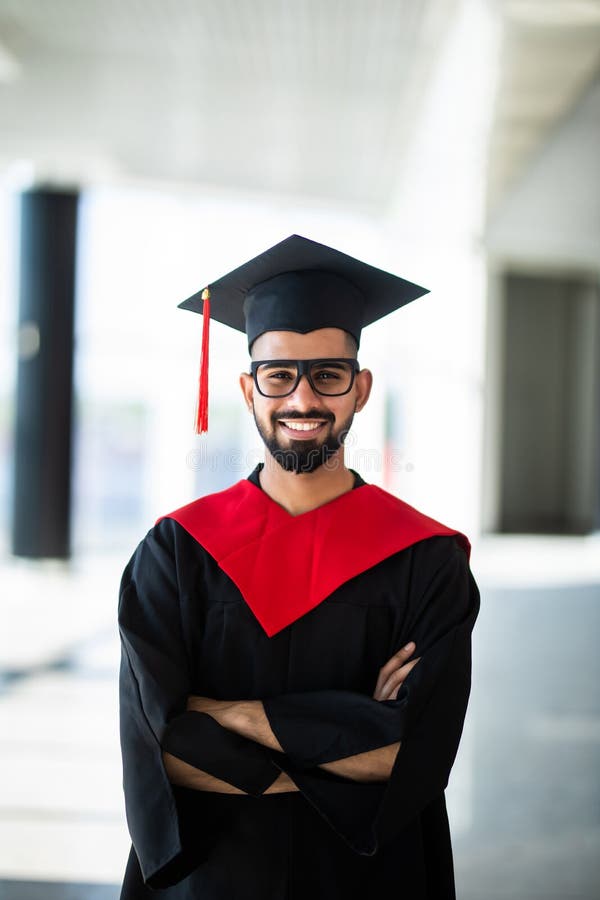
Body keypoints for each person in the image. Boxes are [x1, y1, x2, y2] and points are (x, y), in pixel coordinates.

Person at [118, 234, 480, 899]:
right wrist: (346, 742)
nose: (303, 400)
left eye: (329, 374)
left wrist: (231, 716)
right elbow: (161, 752)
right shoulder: (175, 555)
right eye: (278, 375)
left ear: (361, 388)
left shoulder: (427, 561)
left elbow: (413, 756)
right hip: (213, 879)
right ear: (247, 389)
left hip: (371, 880)